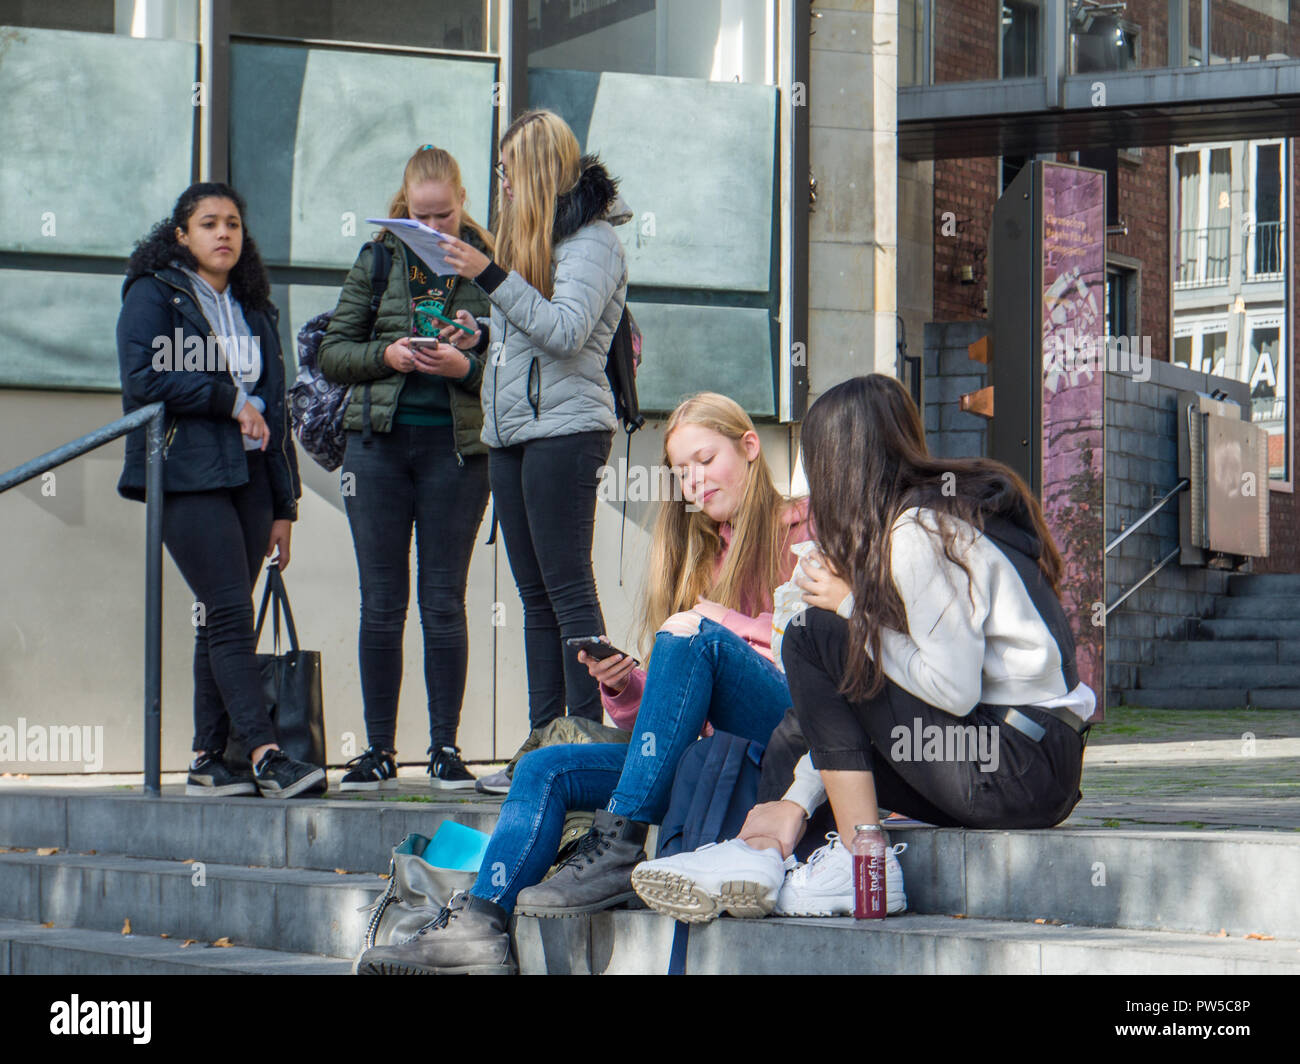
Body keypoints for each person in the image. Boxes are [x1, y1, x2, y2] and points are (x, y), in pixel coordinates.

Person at [355, 392, 811, 974]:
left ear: (750, 447)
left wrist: (717, 623)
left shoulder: (803, 526)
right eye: (680, 472)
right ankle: (479, 926)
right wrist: (625, 687)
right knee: (547, 768)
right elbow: (668, 724)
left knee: (691, 634)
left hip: (789, 739)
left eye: (705, 459)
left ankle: (616, 846)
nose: (693, 482)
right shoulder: (694, 555)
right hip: (709, 760)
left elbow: (821, 650)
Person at [631, 373, 1093, 919]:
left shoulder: (918, 533)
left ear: (842, 462)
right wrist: (794, 801)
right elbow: (859, 705)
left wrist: (850, 609)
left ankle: (851, 860)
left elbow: (954, 690)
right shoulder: (933, 518)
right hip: (1022, 762)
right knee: (816, 693)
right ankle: (765, 852)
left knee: (813, 636)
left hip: (1015, 763)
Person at [436, 110, 629, 763]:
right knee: (536, 597)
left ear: (539, 168)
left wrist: (490, 274)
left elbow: (568, 330)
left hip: (566, 432)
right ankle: (545, 741)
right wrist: (483, 336)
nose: (504, 184)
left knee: (568, 588)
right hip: (514, 435)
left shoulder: (594, 242)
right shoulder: (537, 242)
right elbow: (531, 335)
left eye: (509, 170)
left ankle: (584, 736)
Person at [116, 182, 317, 799]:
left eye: (232, 222)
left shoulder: (256, 307)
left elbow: (277, 412)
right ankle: (263, 752)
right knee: (230, 611)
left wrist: (285, 505)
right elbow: (145, 378)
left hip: (252, 479)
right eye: (208, 223)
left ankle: (208, 757)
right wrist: (228, 400)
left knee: (217, 618)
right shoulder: (155, 294)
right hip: (186, 473)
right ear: (181, 235)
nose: (223, 233)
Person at [317, 145, 493, 791]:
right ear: (403, 206)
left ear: (462, 201)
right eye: (422, 214)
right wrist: (388, 354)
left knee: (444, 601)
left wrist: (468, 364)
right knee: (382, 602)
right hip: (379, 446)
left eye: (444, 215)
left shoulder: (487, 259)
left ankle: (445, 748)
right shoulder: (380, 254)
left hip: (456, 448)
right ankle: (379, 750)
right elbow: (333, 352)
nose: (435, 227)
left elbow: (518, 359)